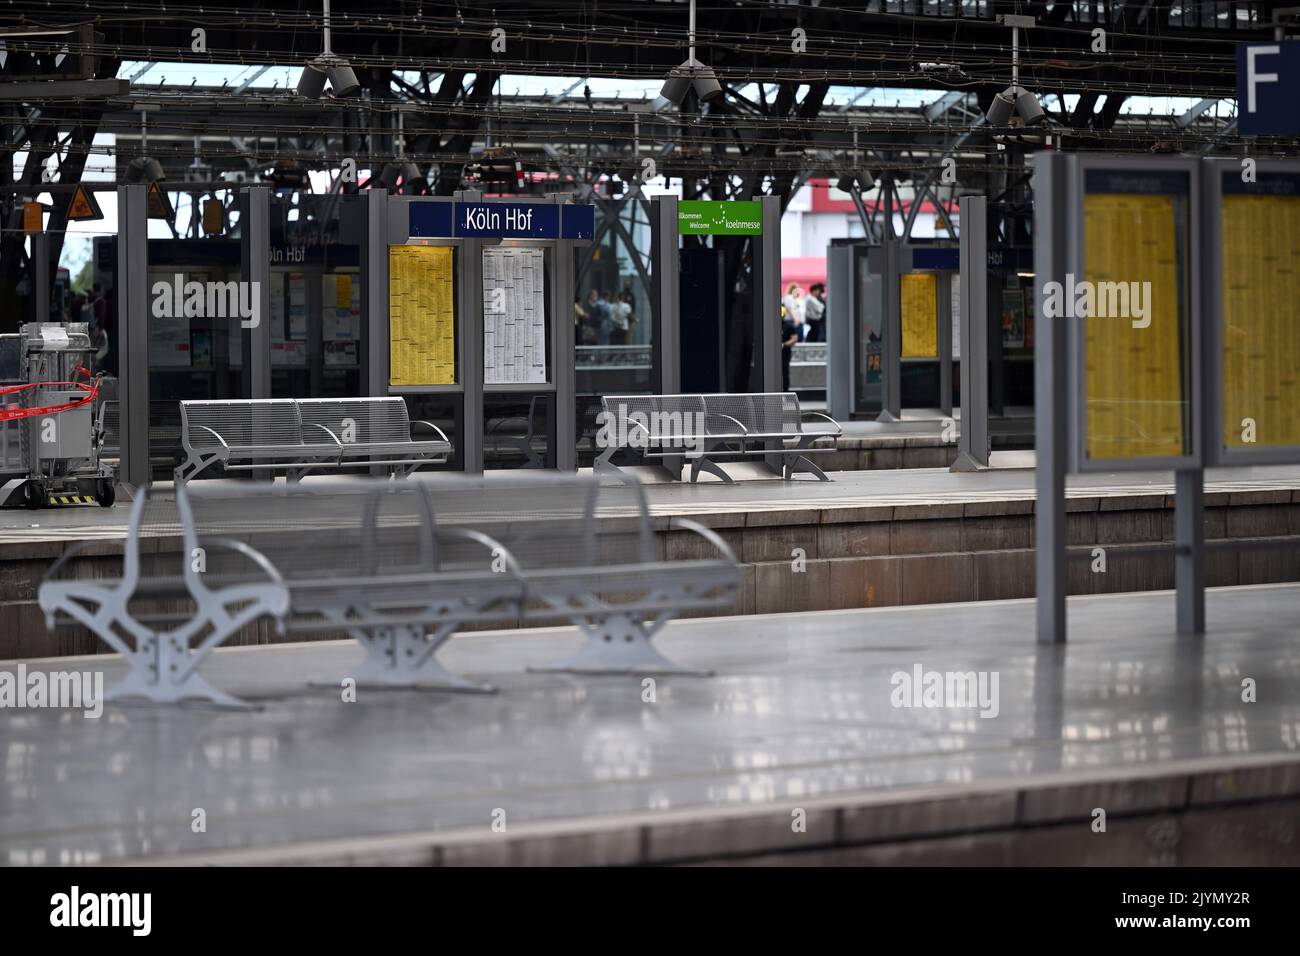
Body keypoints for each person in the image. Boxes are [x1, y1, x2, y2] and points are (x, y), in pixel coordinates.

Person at [781, 305, 799, 392]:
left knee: (784, 372)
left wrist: (784, 344)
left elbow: (794, 338)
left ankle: (785, 391)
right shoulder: (770, 324)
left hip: (785, 353)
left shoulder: (788, 326)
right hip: (772, 354)